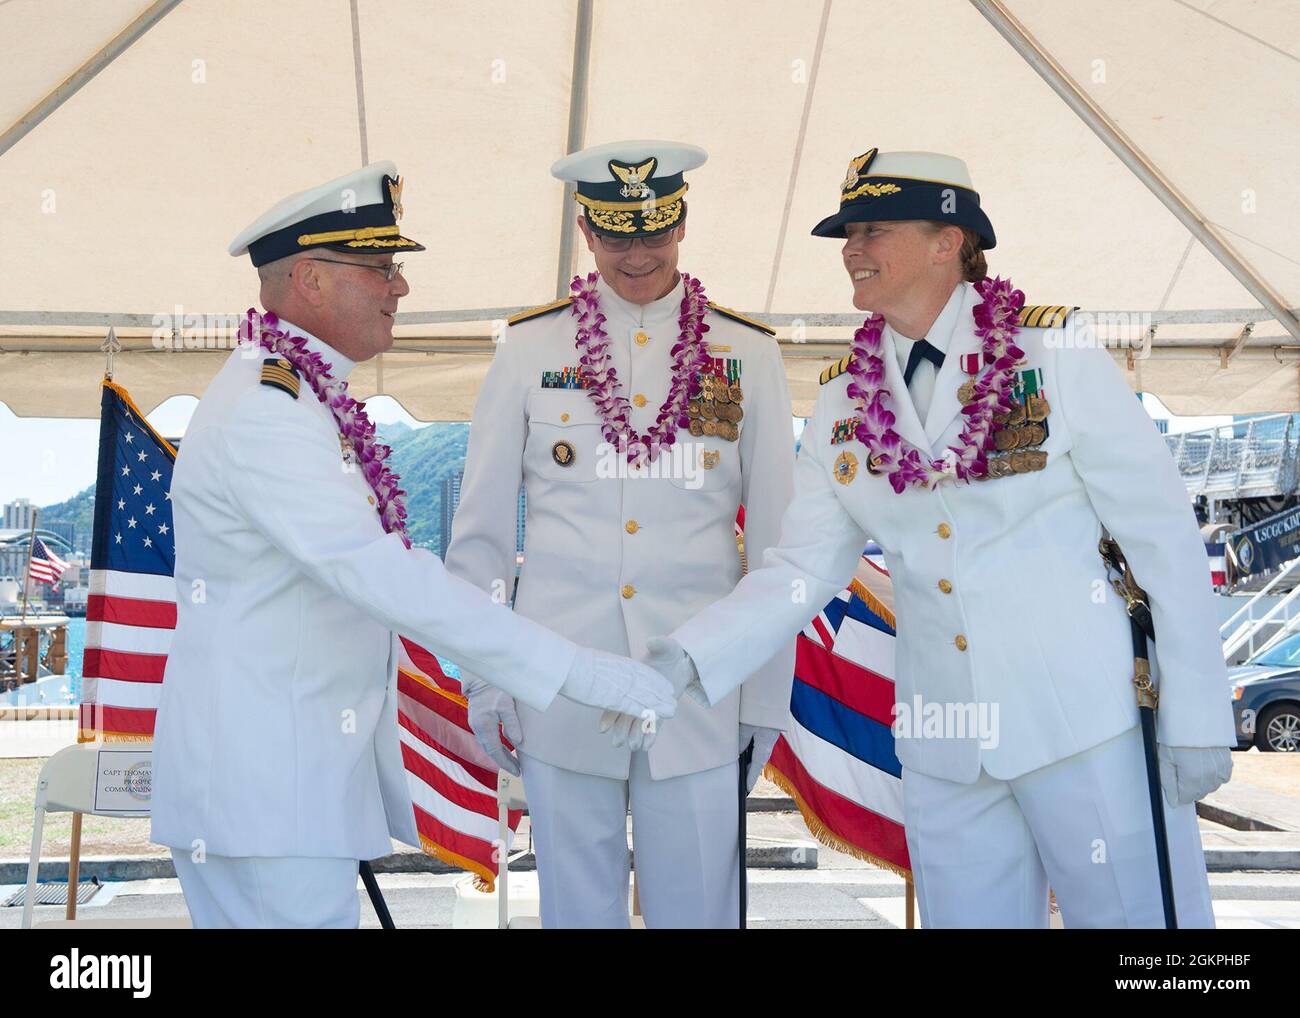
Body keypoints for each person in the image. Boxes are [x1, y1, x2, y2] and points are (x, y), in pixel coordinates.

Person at [646, 149, 1236, 928]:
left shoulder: (1050, 355)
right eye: (846, 234)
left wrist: (1198, 713)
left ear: (947, 240)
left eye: (873, 229)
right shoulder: (839, 404)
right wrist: (690, 656)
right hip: (944, 746)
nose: (852, 249)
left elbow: (1161, 538)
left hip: (1086, 729)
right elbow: (802, 568)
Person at [150, 162, 676, 928]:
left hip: (284, 789)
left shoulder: (297, 396)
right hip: (268, 792)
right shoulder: (269, 410)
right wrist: (573, 670)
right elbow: (378, 575)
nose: (399, 287)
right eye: (378, 268)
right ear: (311, 280)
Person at [444, 141, 795, 928]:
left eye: (654, 230)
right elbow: (483, 534)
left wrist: (763, 699)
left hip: (700, 690)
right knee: (576, 913)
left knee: (699, 910)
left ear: (682, 224)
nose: (637, 253)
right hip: (561, 684)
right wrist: (487, 678)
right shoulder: (530, 347)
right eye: (616, 234)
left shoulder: (749, 352)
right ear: (585, 231)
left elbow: (778, 548)